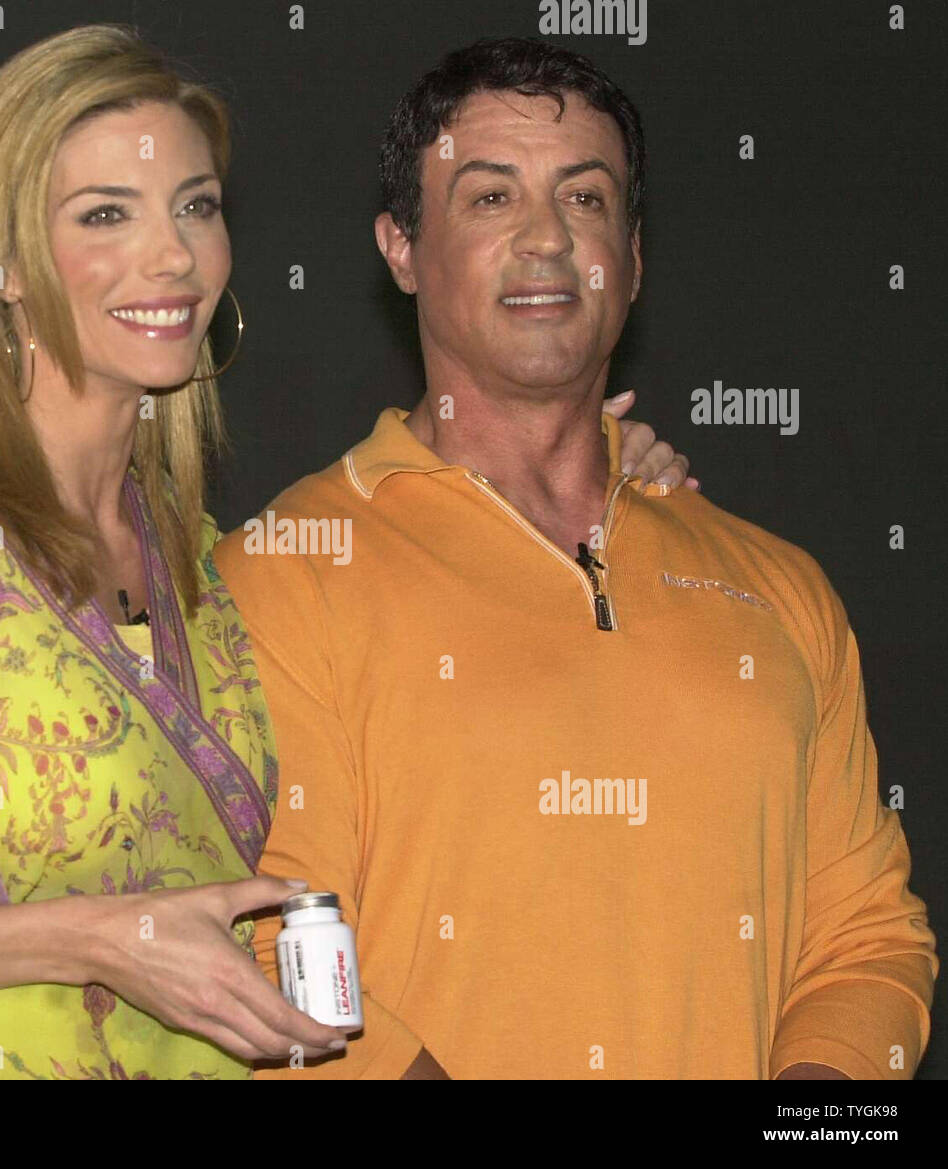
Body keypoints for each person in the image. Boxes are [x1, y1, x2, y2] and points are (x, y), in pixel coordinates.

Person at [0, 25, 690, 1080]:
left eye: (195, 207)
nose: (172, 255)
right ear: (3, 263)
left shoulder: (197, 566)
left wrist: (607, 474)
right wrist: (93, 936)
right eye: (105, 214)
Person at [213, 36, 938, 1079]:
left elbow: (872, 940)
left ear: (633, 258)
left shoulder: (780, 587)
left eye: (585, 198)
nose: (546, 240)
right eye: (490, 198)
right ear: (402, 248)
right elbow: (271, 938)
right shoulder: (283, 572)